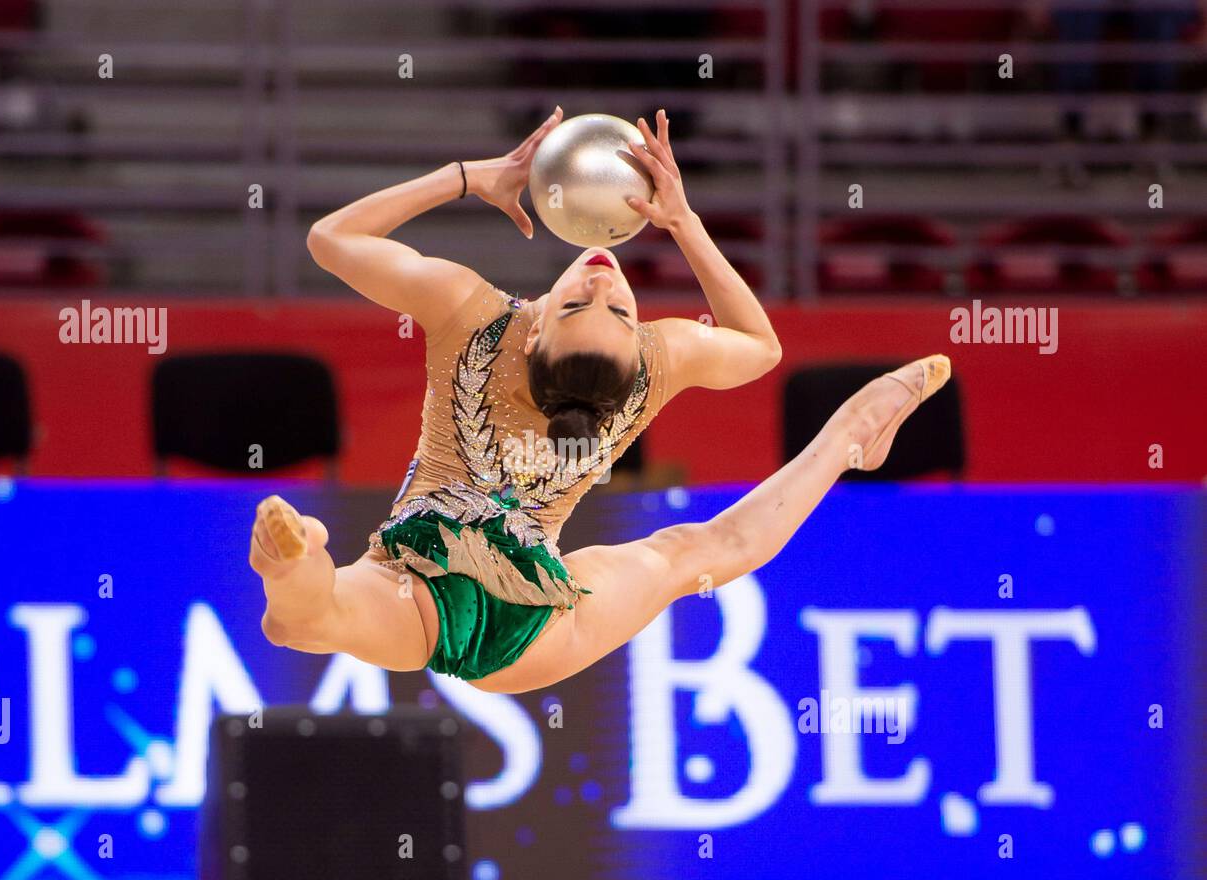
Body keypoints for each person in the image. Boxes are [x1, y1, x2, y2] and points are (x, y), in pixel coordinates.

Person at [249, 107, 950, 694]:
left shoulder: (513, 324)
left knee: (694, 552)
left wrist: (471, 179)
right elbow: (756, 344)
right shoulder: (623, 348)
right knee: (307, 621)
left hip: (517, 613)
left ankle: (853, 435)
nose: (603, 283)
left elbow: (332, 238)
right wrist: (681, 221)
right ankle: (297, 561)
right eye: (600, 305)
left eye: (604, 306)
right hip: (441, 586)